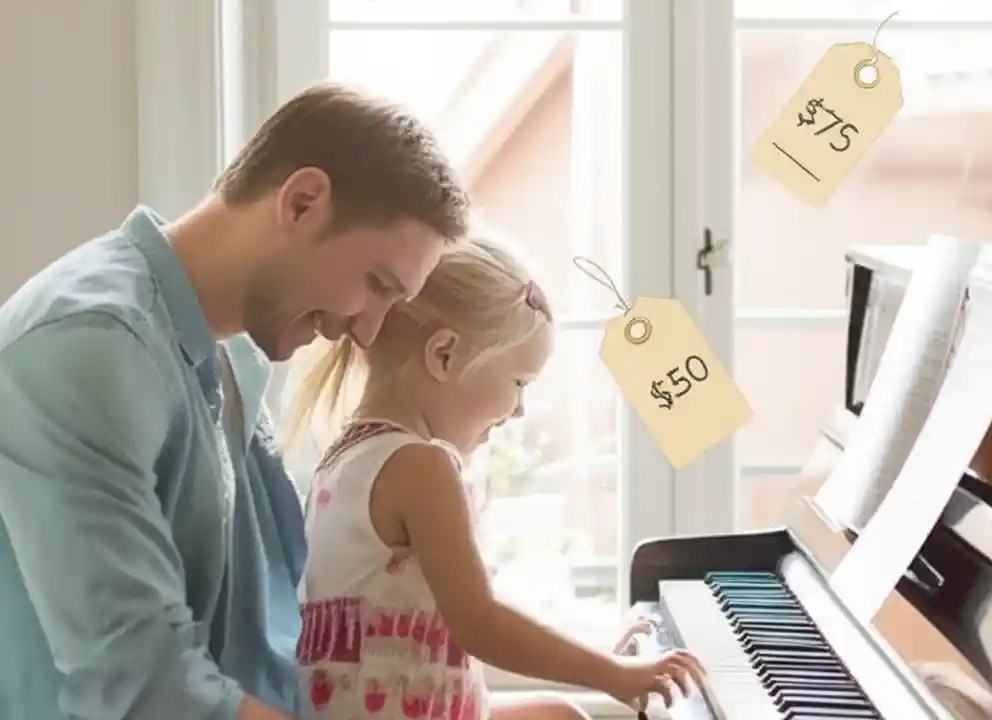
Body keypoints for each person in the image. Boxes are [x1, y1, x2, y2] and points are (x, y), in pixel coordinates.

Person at [0, 82, 470, 719]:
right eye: (376, 284)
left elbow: (261, 647)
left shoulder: (232, 362)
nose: (367, 331)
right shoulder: (91, 347)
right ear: (303, 202)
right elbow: (146, 687)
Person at [283, 237, 705, 719]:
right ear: (444, 354)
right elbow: (479, 623)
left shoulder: (345, 458)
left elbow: (435, 623)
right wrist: (612, 674)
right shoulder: (420, 467)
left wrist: (599, 659)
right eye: (519, 383)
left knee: (558, 715)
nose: (520, 409)